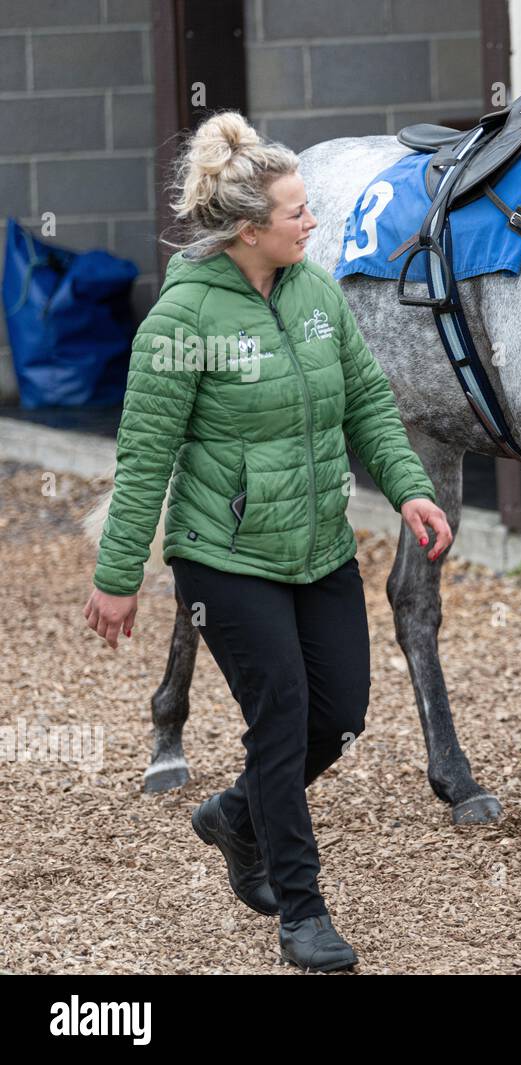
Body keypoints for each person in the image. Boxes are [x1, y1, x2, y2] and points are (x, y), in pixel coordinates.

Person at [83, 110, 453, 969]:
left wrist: (411, 490)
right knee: (282, 717)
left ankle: (235, 813)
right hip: (224, 553)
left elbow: (367, 400)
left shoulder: (315, 291)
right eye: (297, 212)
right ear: (250, 229)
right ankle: (302, 907)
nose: (312, 221)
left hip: (319, 542)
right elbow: (144, 457)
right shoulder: (182, 321)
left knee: (342, 714)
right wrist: (119, 573)